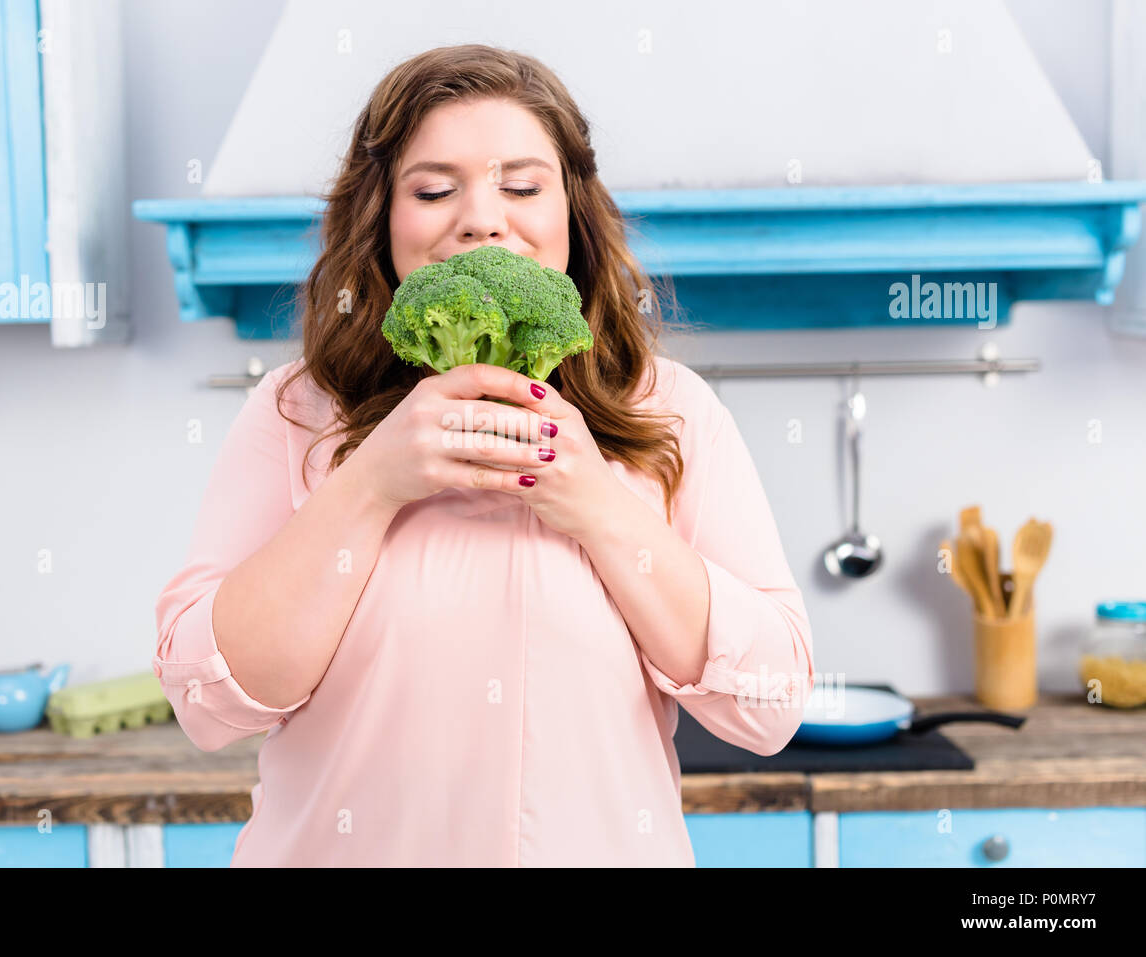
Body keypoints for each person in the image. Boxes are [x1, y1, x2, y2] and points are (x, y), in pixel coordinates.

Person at [153, 43, 814, 867]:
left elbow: (771, 700)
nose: (481, 217)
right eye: (433, 189)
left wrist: (595, 503)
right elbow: (206, 701)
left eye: (523, 186)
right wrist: (373, 483)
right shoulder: (299, 410)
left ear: (571, 210)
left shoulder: (668, 411)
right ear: (382, 216)